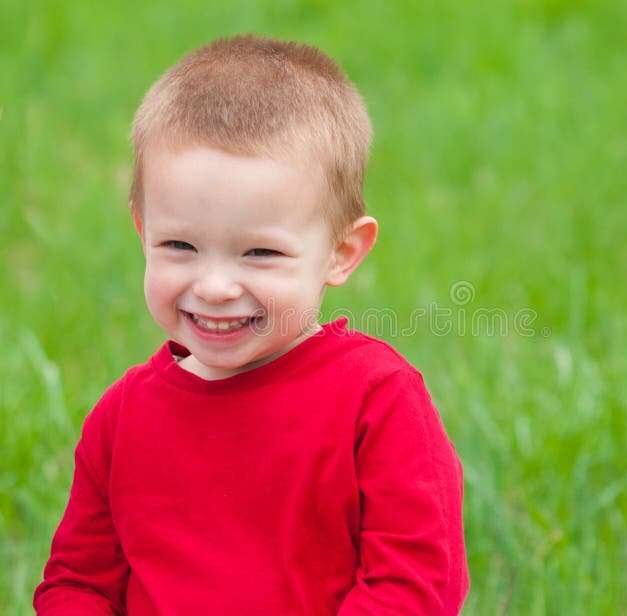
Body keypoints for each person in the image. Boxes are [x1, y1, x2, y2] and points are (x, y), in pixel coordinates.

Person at [33, 34, 469, 614]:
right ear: (143, 231)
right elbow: (76, 586)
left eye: (260, 253)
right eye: (180, 245)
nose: (214, 286)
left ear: (342, 251)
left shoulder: (376, 400)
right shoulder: (122, 420)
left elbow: (416, 584)